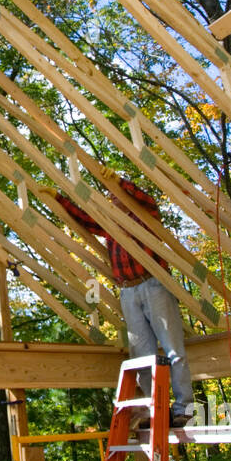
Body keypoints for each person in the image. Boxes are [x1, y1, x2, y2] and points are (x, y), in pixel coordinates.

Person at [51, 176, 194, 427]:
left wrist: (119, 181)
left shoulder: (144, 215)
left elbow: (145, 198)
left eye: (116, 195)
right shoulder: (110, 223)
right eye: (110, 196)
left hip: (154, 284)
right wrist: (58, 198)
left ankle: (184, 407)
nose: (112, 199)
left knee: (173, 348)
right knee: (143, 356)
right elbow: (85, 219)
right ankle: (155, 408)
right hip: (128, 291)